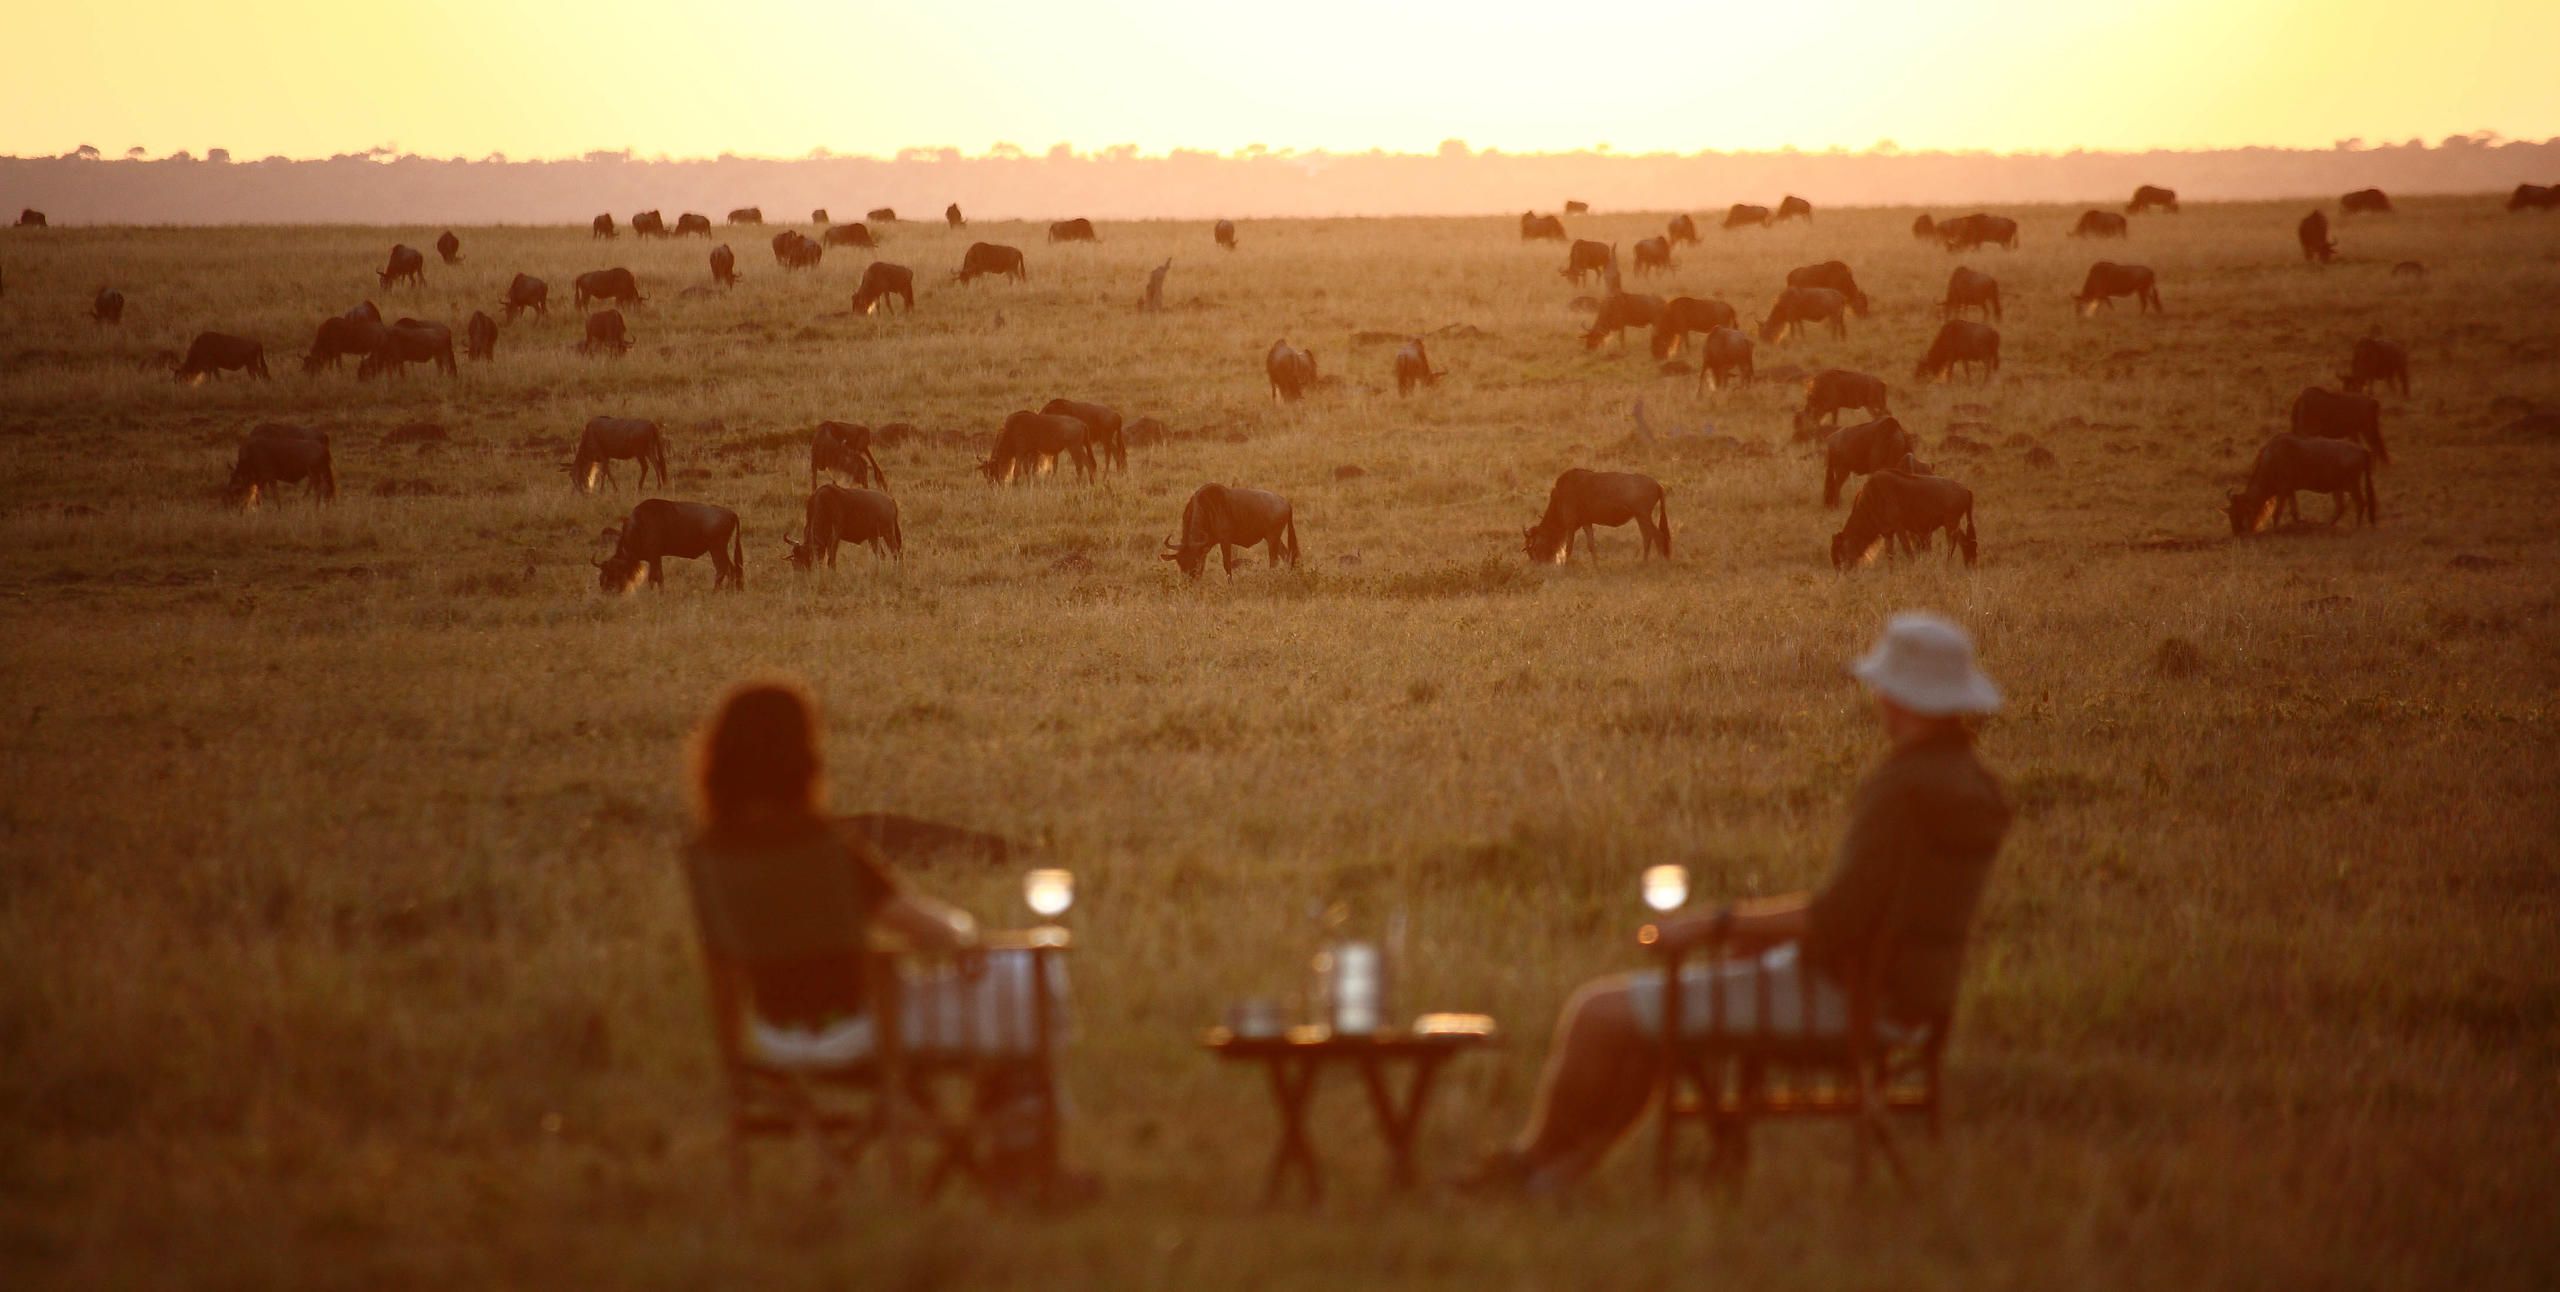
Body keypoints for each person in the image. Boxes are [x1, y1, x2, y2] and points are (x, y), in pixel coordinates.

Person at [1472, 611, 2012, 1191]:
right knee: (1658, 1017)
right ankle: (1558, 1175)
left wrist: (1714, 923)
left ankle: (1528, 1162)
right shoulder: (1975, 786)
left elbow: (1837, 921)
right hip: (1914, 1001)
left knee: (1596, 1012)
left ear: (1899, 697)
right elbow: (1875, 913)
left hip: (1842, 999)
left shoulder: (1901, 787)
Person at [679, 680, 1080, 1199]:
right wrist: (967, 936)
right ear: (804, 760)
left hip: (776, 1035)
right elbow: (928, 929)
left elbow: (722, 969)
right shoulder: (822, 850)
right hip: (863, 1029)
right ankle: (1022, 1157)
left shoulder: (710, 857)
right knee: (1034, 974)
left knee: (1016, 998)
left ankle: (1008, 1144)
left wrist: (736, 1056)